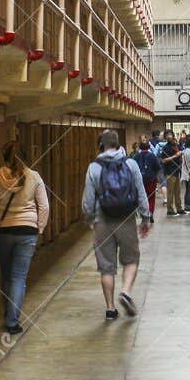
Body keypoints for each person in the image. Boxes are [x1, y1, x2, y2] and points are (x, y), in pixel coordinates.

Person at [81, 129, 151, 320]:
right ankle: (126, 292)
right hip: (127, 219)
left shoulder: (94, 167)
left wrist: (90, 219)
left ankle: (110, 308)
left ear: (101, 146)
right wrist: (145, 217)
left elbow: (88, 200)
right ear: (118, 145)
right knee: (131, 259)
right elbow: (140, 192)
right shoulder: (131, 163)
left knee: (106, 266)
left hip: (102, 221)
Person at [0, 142, 50, 335]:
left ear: (4, 156)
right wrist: (40, 228)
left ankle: (8, 313)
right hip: (27, 231)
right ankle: (13, 321)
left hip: (4, 231)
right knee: (19, 278)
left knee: (6, 275)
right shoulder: (34, 176)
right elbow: (44, 206)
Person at [132, 138, 163, 218]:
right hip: (151, 180)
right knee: (151, 198)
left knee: (142, 197)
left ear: (140, 147)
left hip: (140, 180)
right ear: (149, 147)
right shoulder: (152, 156)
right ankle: (151, 213)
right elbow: (158, 167)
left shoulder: (136, 156)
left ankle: (144, 215)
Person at [161, 133, 184, 216]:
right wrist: (174, 156)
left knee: (177, 191)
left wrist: (181, 153)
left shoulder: (176, 145)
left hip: (177, 171)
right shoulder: (165, 148)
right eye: (167, 135)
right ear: (166, 137)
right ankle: (170, 209)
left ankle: (179, 208)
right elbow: (163, 160)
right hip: (169, 172)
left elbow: (181, 152)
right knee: (170, 192)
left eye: (170, 135)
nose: (169, 137)